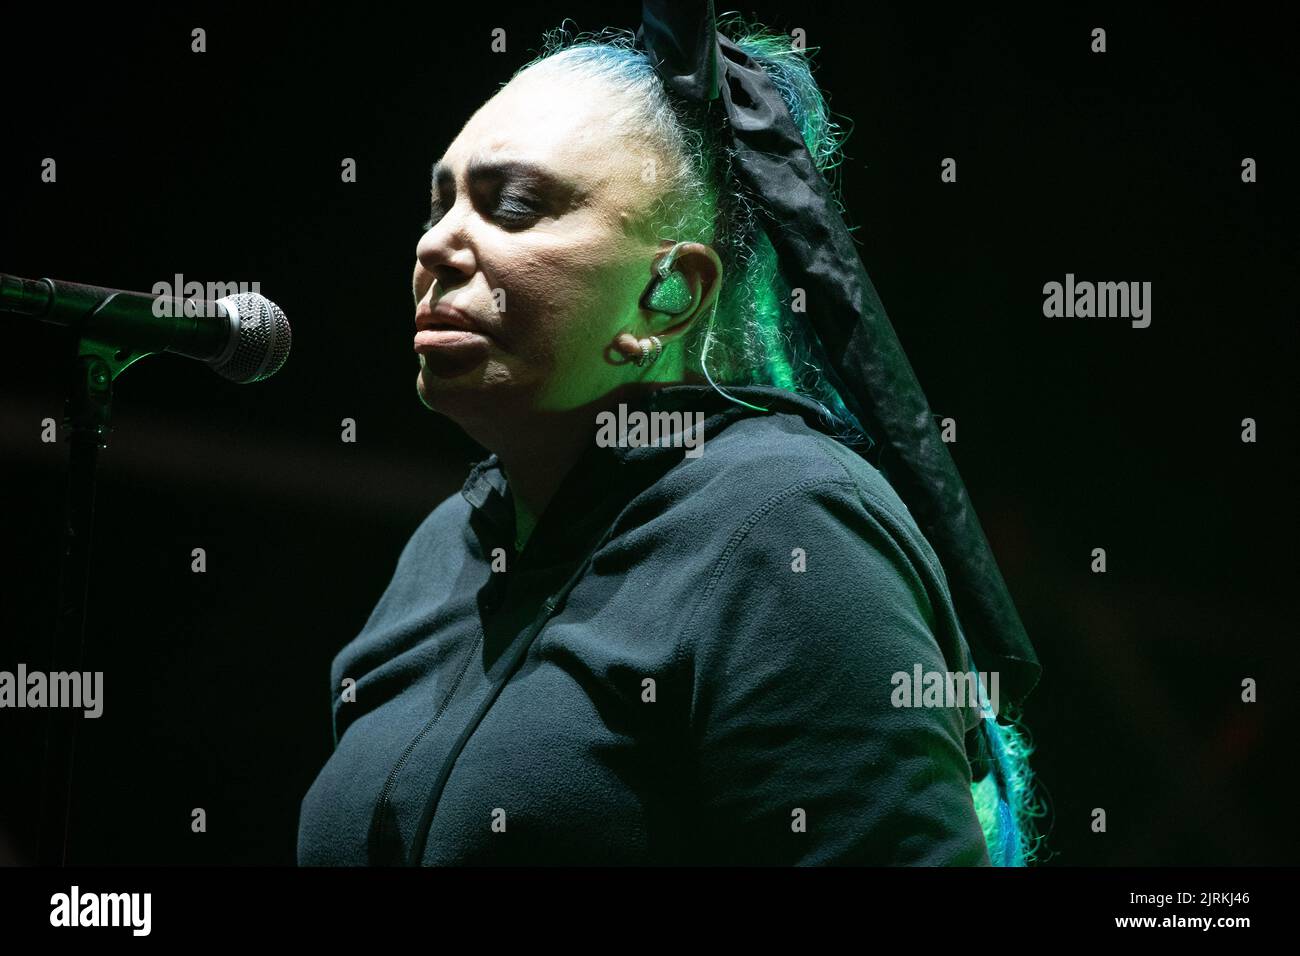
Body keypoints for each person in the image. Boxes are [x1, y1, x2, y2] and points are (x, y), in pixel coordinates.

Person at [297, 14, 1042, 866]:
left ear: (669, 294)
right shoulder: (443, 551)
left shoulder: (783, 523)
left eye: (512, 207)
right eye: (440, 203)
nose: (437, 245)